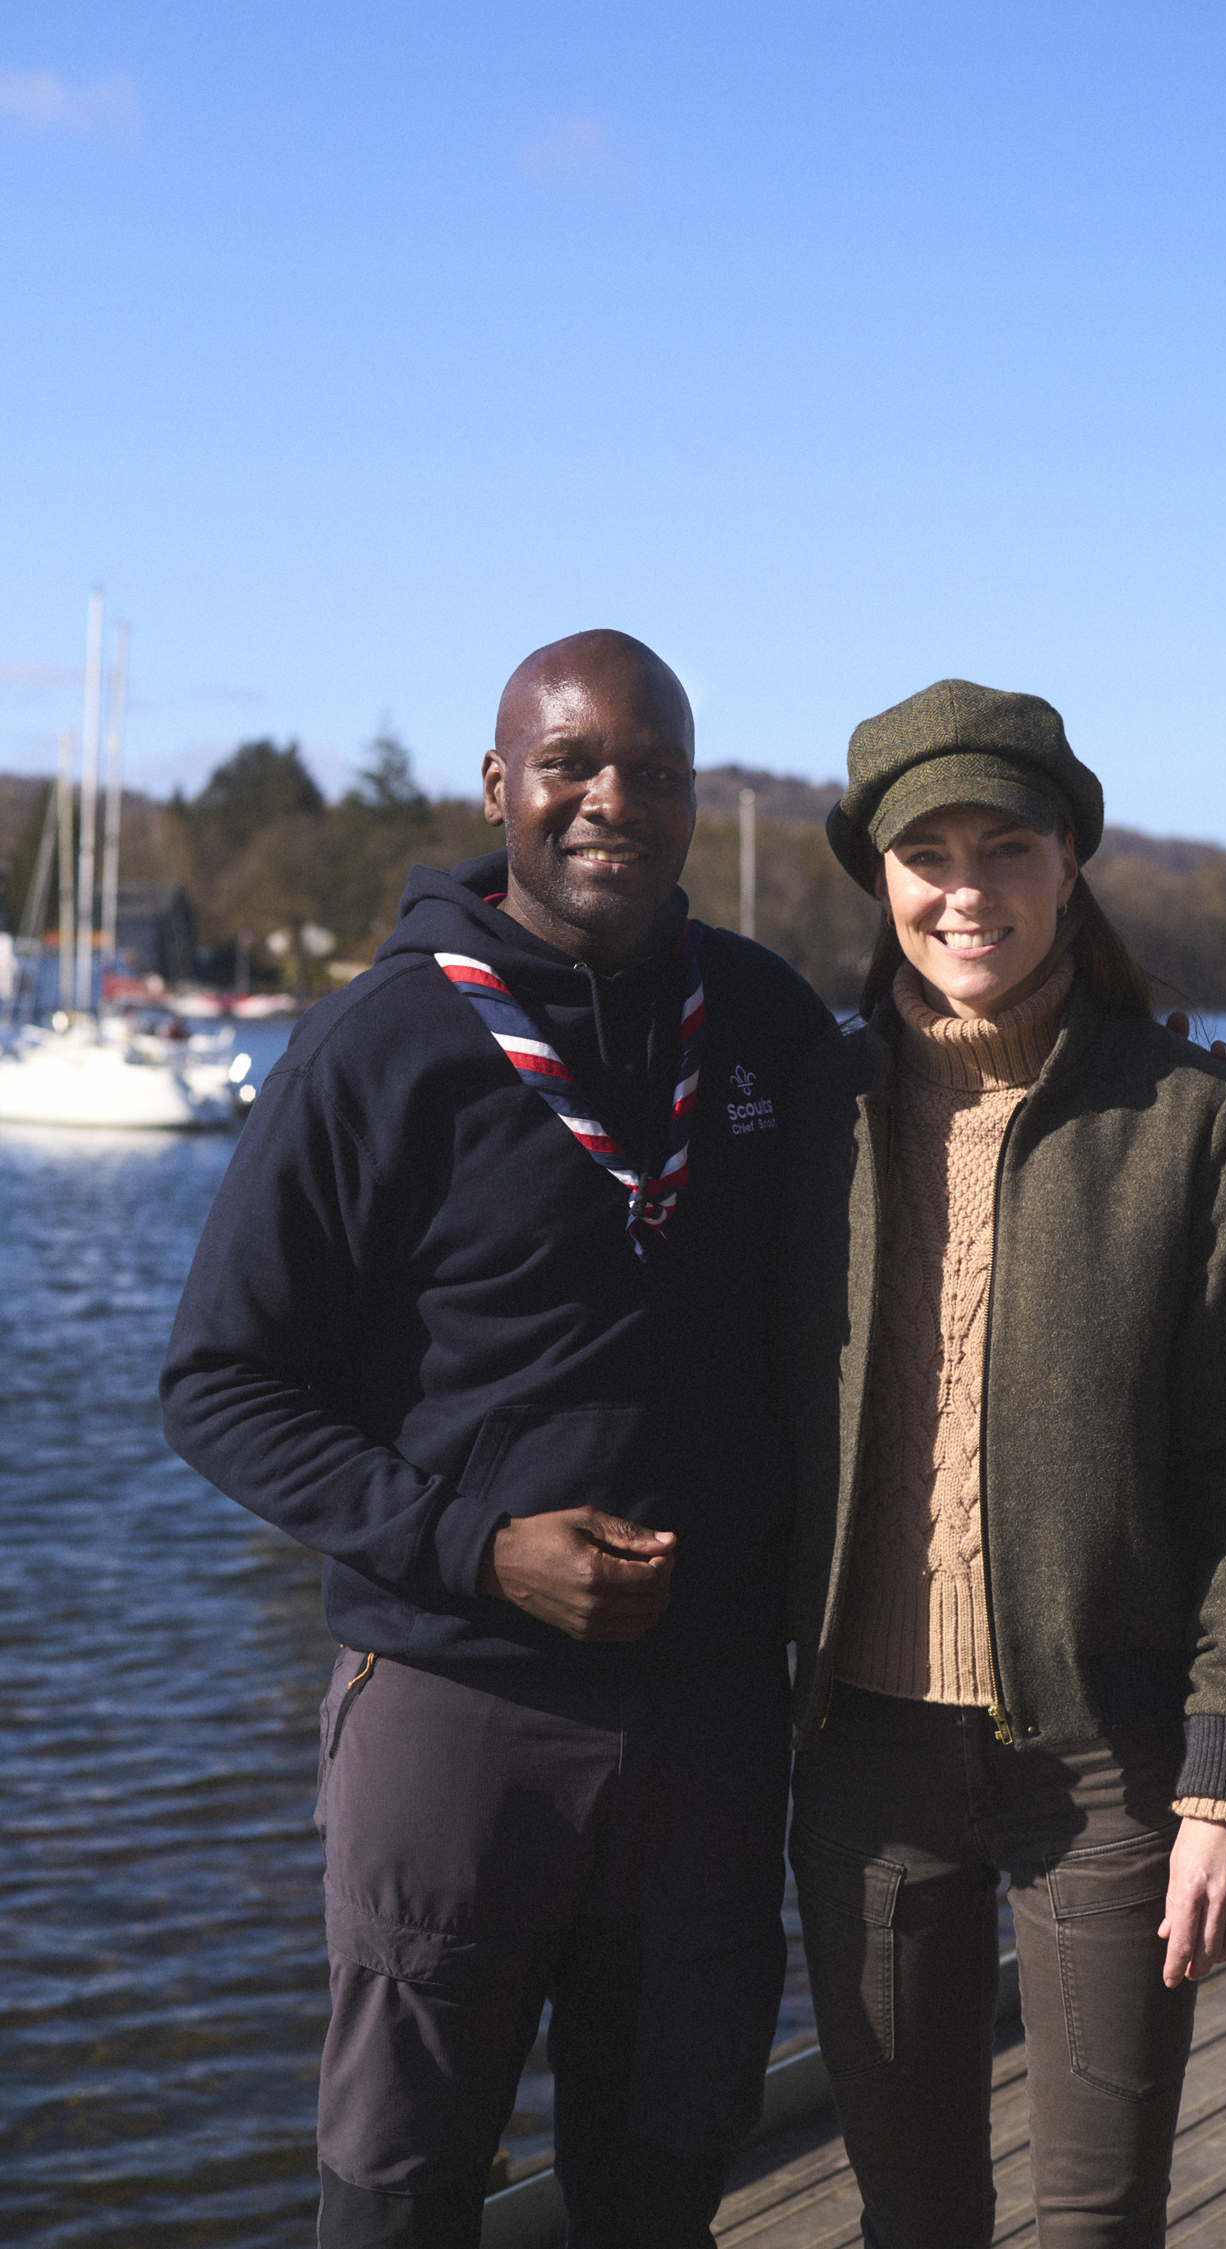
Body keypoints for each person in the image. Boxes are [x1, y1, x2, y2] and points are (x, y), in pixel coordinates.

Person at [159, 630, 833, 2249]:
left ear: (695, 798)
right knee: (400, 2193)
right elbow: (219, 1384)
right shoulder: (375, 1046)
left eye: (654, 773)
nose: (614, 802)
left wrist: (1149, 1080)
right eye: (574, 766)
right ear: (499, 786)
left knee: (666, 2181)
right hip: (459, 1710)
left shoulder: (761, 1023)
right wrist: (476, 1544)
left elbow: (959, 1138)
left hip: (711, 1723)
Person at [779, 680, 1226, 2249]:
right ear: (877, 876)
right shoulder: (809, 1111)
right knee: (914, 2213)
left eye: (1004, 847)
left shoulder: (1190, 1123)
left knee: (1098, 2219)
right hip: (865, 1762)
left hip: (1108, 1768)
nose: (966, 892)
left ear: (1068, 862)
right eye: (926, 853)